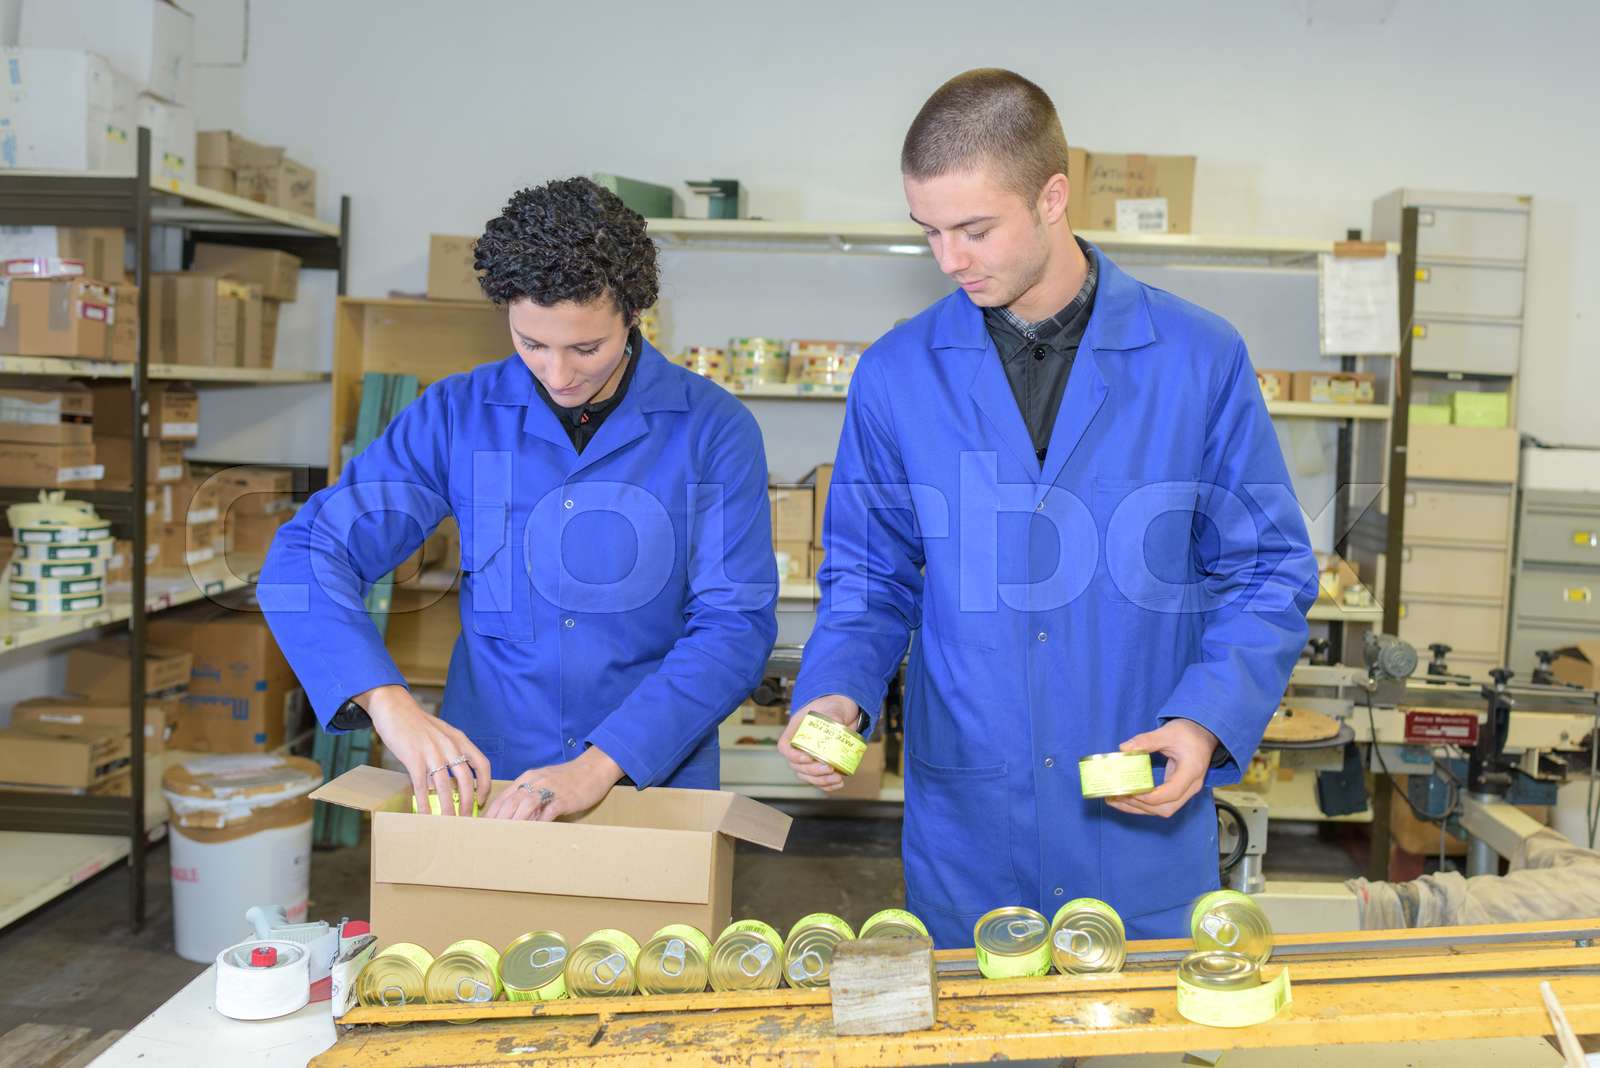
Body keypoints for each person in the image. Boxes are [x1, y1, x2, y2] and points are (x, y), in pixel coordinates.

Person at [779, 69, 1317, 944]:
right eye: (929, 233)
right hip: (969, 825)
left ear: (1053, 196)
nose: (950, 260)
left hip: (1134, 805)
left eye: (975, 229)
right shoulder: (896, 374)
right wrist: (838, 693)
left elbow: (1264, 566)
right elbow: (872, 576)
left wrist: (1205, 717)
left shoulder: (1198, 359)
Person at [262, 177, 777, 819]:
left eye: (586, 348)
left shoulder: (712, 429)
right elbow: (309, 552)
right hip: (488, 776)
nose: (558, 376)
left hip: (652, 774)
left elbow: (734, 626)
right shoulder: (456, 414)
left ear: (635, 313)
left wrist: (598, 765)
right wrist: (387, 700)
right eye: (532, 344)